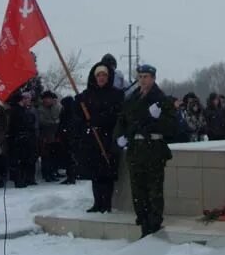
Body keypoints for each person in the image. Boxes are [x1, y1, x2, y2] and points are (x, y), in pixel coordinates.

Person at [113, 64, 177, 236]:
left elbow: (172, 127)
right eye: (140, 76)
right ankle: (143, 221)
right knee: (138, 189)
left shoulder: (161, 99)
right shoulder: (132, 98)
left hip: (153, 149)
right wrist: (119, 135)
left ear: (153, 78)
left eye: (146, 76)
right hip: (135, 149)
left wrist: (156, 120)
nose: (142, 80)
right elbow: (122, 119)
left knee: (154, 189)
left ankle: (154, 223)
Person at [76, 62, 123, 213]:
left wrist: (100, 119)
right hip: (93, 138)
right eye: (99, 75)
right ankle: (97, 203)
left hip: (109, 137)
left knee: (107, 172)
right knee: (95, 173)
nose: (101, 78)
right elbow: (79, 116)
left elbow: (117, 115)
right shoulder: (87, 94)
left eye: (104, 75)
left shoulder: (116, 94)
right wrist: (78, 104)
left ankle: (107, 203)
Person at [37, 91, 61, 181]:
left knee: (53, 155)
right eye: (47, 99)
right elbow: (42, 121)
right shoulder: (41, 109)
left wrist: (55, 106)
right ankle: (47, 174)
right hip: (45, 136)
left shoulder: (55, 107)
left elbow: (57, 116)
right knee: (46, 156)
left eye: (50, 99)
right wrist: (54, 122)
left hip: (54, 135)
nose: (48, 100)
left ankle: (53, 172)